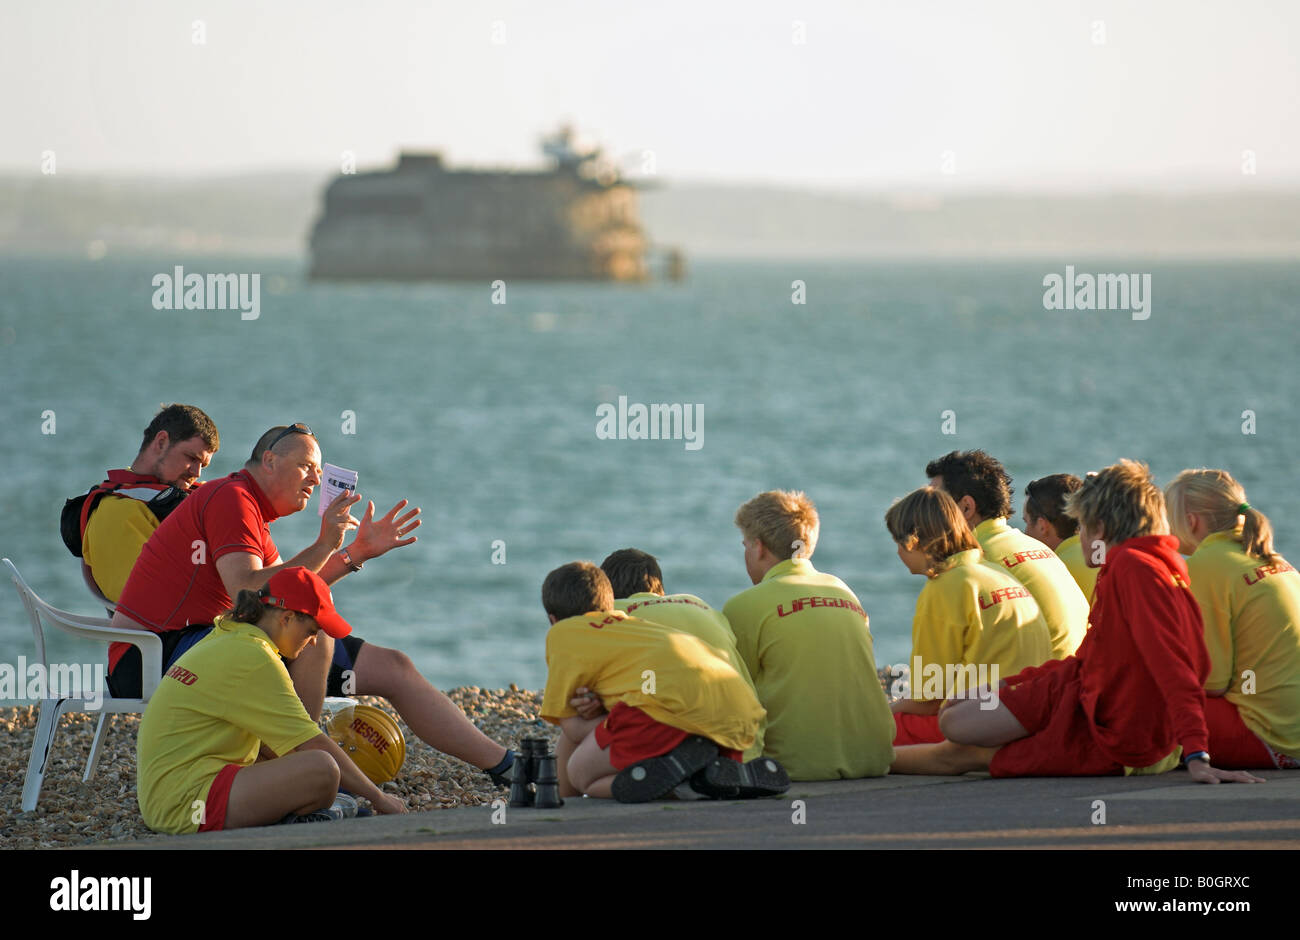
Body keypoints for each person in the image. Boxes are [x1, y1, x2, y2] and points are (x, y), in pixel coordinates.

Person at [109, 423, 516, 784]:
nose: (316, 481)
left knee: (394, 668)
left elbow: (284, 595)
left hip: (213, 644)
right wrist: (323, 544)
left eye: (320, 473)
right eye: (307, 467)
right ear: (269, 460)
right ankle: (296, 768)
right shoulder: (231, 498)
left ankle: (507, 766)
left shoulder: (252, 513)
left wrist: (353, 554)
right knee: (315, 638)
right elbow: (248, 594)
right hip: (149, 657)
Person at [891, 460, 1264, 784]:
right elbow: (1088, 661)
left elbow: (1177, 667)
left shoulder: (1138, 570)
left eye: (1082, 526)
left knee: (961, 744)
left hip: (1112, 735)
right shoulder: (1140, 565)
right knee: (957, 713)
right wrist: (1015, 684)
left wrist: (1198, 755)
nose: (1079, 536)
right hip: (1078, 693)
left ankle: (870, 762)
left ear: (1099, 528)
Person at [137, 566, 408, 834]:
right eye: (312, 631)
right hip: (187, 807)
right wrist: (379, 799)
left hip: (163, 798)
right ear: (287, 618)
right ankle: (302, 820)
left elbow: (277, 745)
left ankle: (318, 809)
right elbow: (314, 743)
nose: (313, 642)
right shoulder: (258, 658)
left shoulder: (227, 634)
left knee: (278, 752)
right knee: (322, 770)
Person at [539, 561, 782, 803]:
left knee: (580, 774)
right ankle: (708, 775)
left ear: (553, 619)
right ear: (610, 604)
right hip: (736, 717)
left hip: (666, 716)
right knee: (633, 739)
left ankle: (687, 787)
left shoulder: (563, 633)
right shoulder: (638, 628)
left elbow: (572, 728)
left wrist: (597, 717)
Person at [721, 490, 894, 780]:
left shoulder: (744, 605)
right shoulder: (843, 591)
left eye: (745, 545)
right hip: (875, 759)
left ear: (759, 548)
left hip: (791, 767)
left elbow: (734, 693)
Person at [885, 487, 1052, 745]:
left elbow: (929, 700)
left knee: (877, 729)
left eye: (898, 543)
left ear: (913, 540)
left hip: (989, 717)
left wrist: (885, 712)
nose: (897, 552)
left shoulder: (943, 587)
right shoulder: (994, 571)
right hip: (1034, 709)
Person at [1165, 469, 1300, 769]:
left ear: (1191, 521)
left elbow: (1212, 683)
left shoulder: (1206, 565)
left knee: (1144, 703)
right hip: (1292, 729)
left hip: (1270, 737)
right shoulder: (1275, 559)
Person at [597, 547, 765, 759]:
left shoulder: (611, 615)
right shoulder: (698, 605)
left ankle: (562, 791)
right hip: (747, 742)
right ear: (661, 592)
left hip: (665, 745)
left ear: (608, 593)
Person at [927, 450, 1089, 658]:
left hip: (1037, 684)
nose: (924, 513)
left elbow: (942, 661)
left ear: (966, 507)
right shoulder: (1037, 547)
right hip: (1069, 679)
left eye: (933, 504)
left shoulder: (971, 560)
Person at [66, 404, 219, 605]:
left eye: (203, 465)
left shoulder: (189, 495)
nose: (197, 473)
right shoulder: (118, 511)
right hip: (181, 631)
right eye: (191, 458)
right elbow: (145, 600)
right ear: (161, 442)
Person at [1023, 473, 1098, 603]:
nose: (1024, 533)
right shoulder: (1101, 552)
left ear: (1042, 526)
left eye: (1026, 522)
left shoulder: (1054, 569)